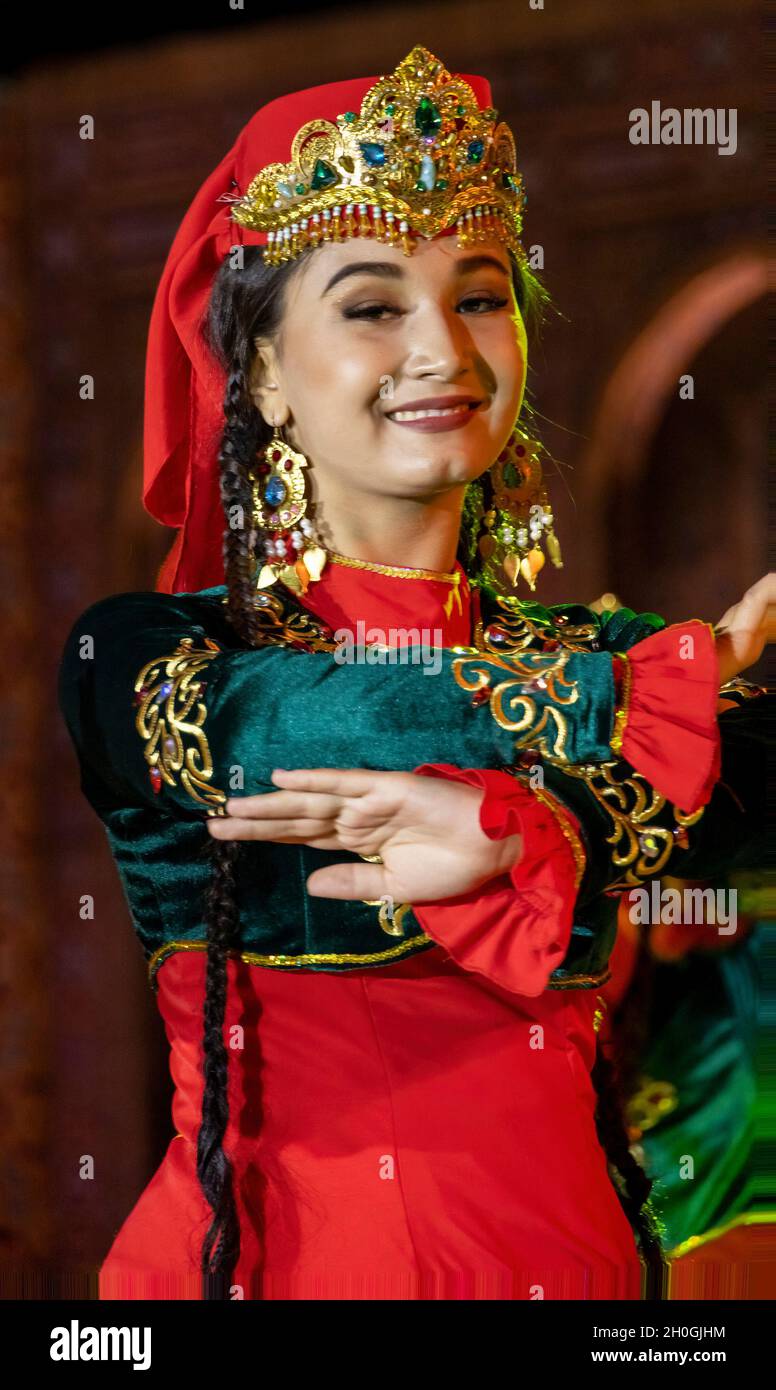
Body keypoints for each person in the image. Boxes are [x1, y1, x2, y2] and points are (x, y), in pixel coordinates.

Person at [57, 44, 771, 1302]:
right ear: (261, 371)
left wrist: (544, 830)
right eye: (373, 304)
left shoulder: (613, 655)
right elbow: (284, 722)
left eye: (480, 295)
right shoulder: (149, 655)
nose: (442, 346)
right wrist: (632, 705)